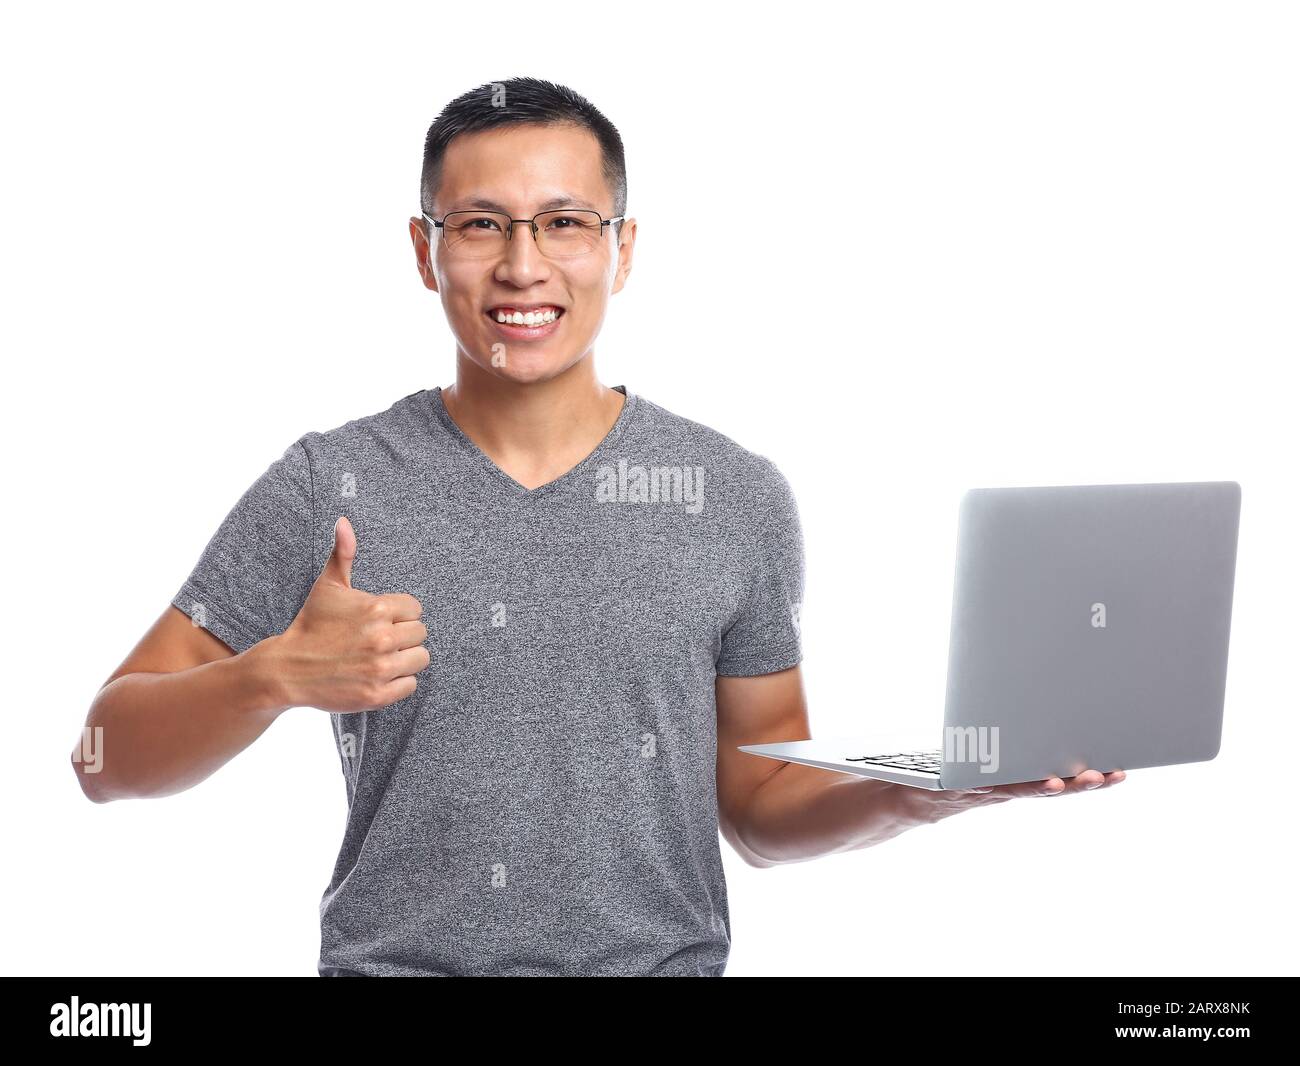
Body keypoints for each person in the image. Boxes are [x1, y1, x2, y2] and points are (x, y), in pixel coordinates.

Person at [72, 77, 1124, 977]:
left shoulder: (732, 493)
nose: (523, 266)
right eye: (480, 224)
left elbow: (757, 804)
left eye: (565, 222)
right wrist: (269, 676)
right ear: (424, 250)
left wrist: (934, 793)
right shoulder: (328, 481)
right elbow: (99, 754)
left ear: (621, 249)